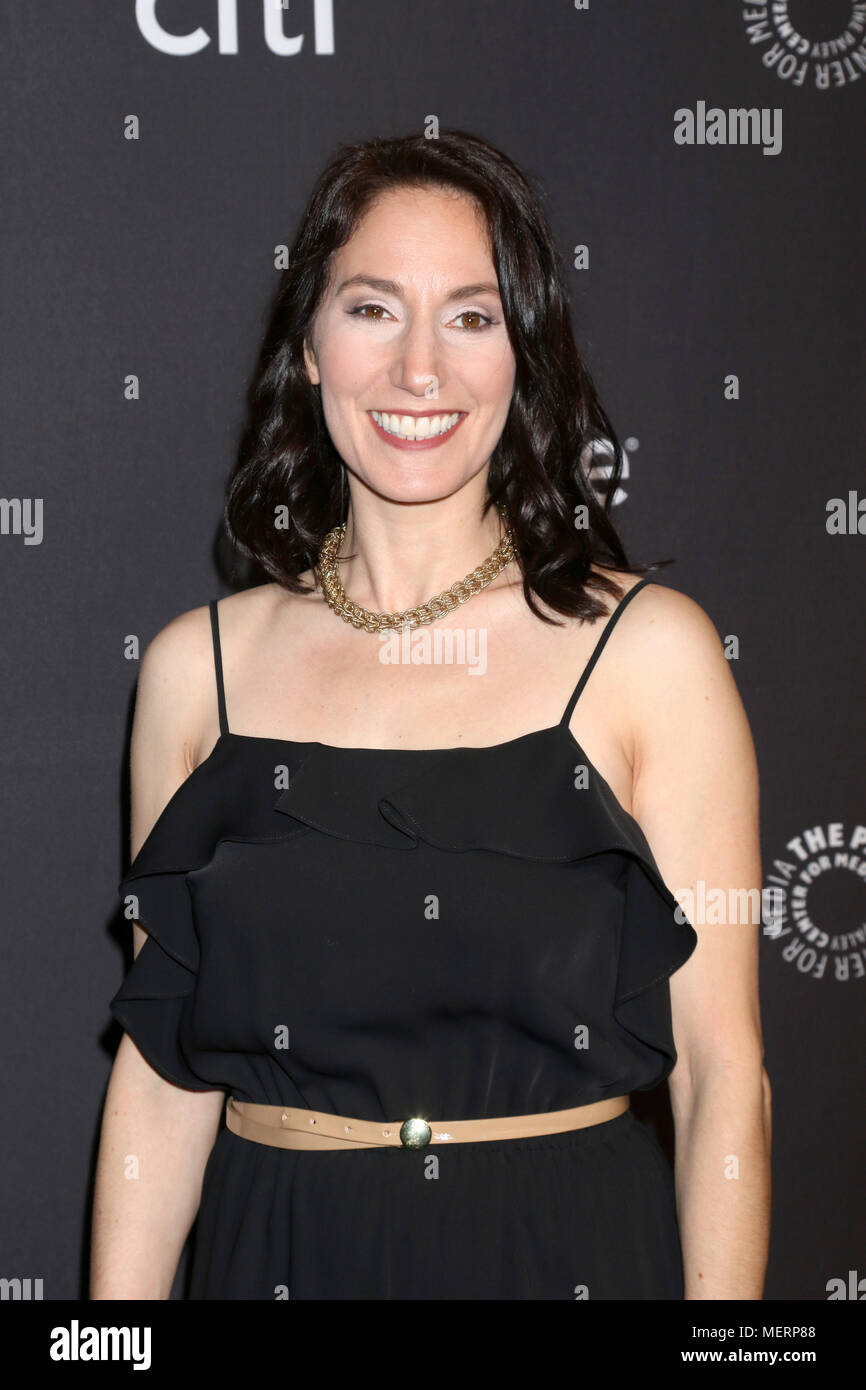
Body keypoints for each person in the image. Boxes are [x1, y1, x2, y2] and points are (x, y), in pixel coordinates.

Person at [91, 130, 770, 1300]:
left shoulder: (647, 654)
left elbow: (722, 1076)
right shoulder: (195, 669)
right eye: (371, 309)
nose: (419, 371)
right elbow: (162, 1077)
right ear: (306, 346)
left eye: (470, 316)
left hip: (562, 1259)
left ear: (526, 353)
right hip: (273, 1259)